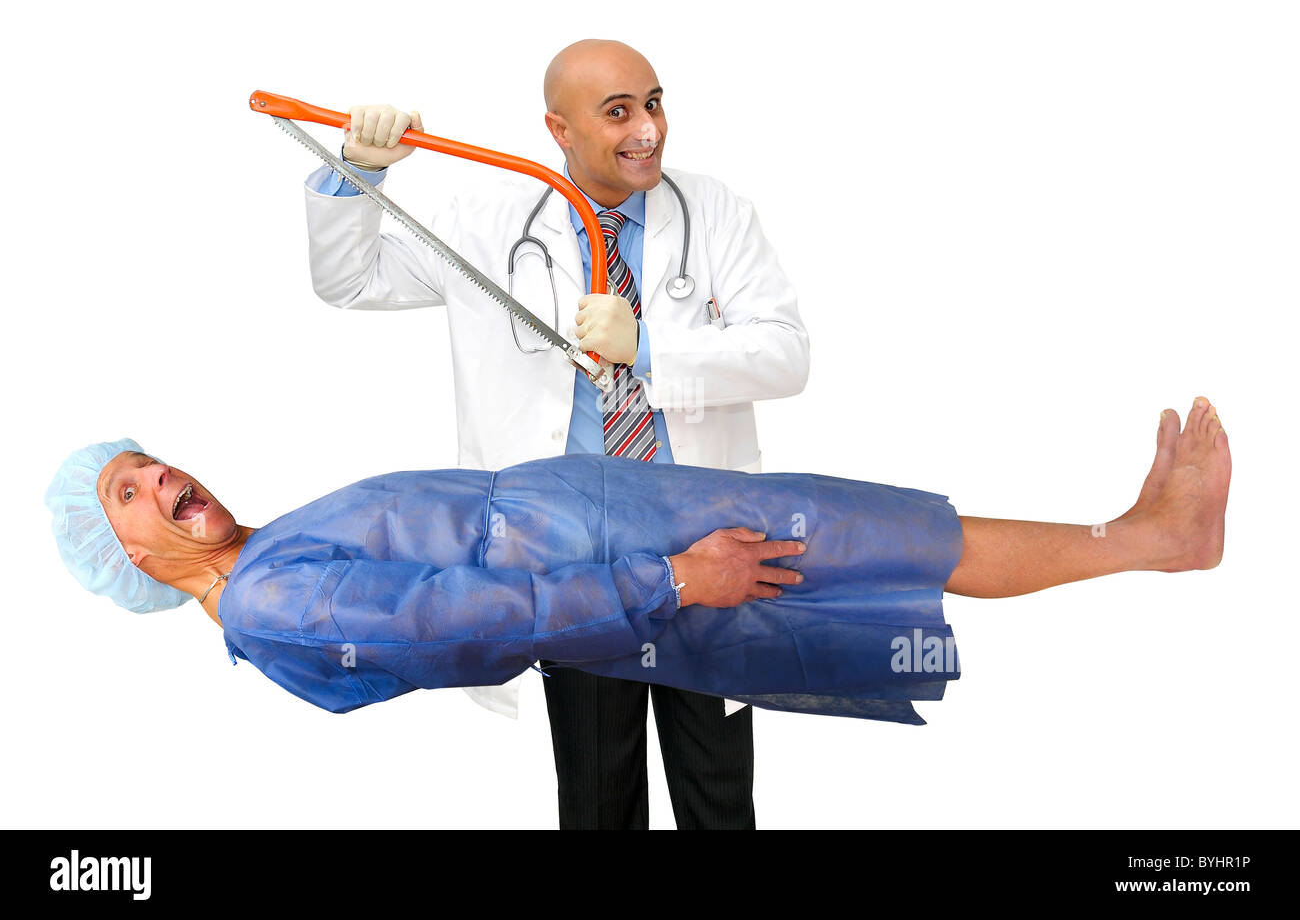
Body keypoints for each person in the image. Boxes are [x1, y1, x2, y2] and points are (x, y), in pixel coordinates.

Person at [301, 40, 809, 828]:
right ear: (558, 129)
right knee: (598, 796)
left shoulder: (715, 212)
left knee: (718, 797)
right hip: (571, 558)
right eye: (618, 112)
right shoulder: (486, 222)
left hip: (709, 546)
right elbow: (350, 279)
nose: (648, 128)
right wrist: (361, 171)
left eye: (654, 102)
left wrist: (643, 345)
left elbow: (785, 354)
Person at [46, 398, 1230, 729]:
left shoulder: (264, 563)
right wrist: (666, 581)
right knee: (849, 543)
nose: (161, 478)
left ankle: (1130, 533)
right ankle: (1150, 540)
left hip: (593, 520)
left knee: (842, 527)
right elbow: (458, 623)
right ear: (130, 555)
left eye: (149, 461)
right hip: (619, 559)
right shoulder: (265, 597)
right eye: (130, 491)